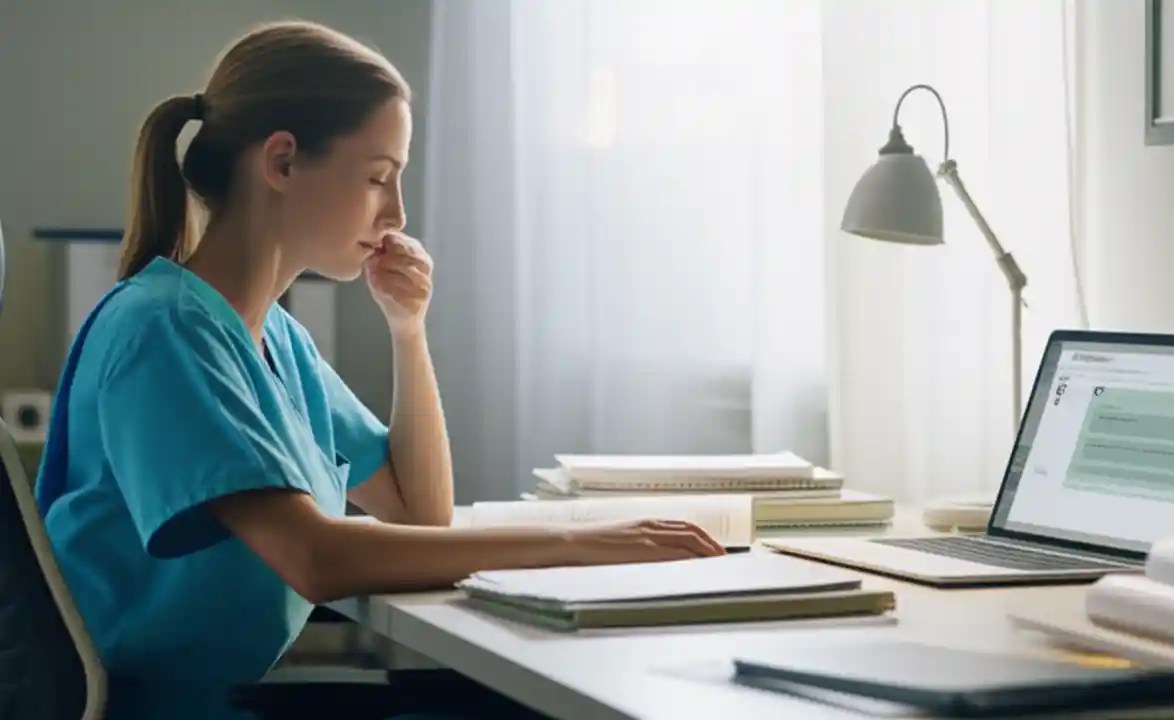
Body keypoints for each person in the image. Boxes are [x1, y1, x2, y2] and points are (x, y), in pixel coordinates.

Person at [34, 21, 722, 720]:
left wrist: (408, 329)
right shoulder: (166, 328)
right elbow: (316, 558)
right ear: (282, 162)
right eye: (377, 178)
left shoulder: (275, 339)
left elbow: (421, 515)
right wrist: (577, 545)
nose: (395, 214)